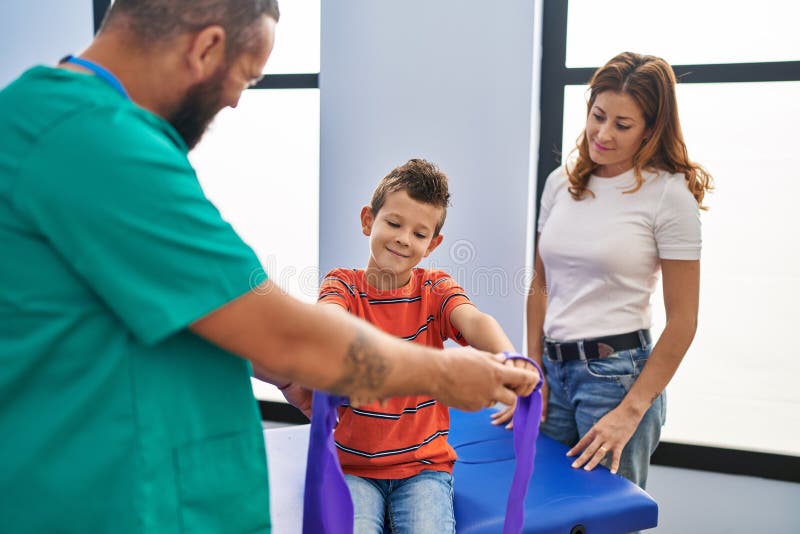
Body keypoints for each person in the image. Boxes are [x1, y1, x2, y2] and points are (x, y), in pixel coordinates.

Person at [0, 1, 538, 532]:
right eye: (246, 77)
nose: (234, 101)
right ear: (207, 46)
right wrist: (447, 374)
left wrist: (283, 372)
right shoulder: (96, 142)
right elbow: (285, 332)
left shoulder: (49, 121)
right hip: (110, 503)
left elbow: (190, 307)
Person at [313, 159, 540, 534]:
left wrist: (509, 360)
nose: (404, 238)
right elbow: (328, 324)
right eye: (394, 223)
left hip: (423, 469)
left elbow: (474, 320)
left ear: (433, 244)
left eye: (419, 234)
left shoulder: (435, 289)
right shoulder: (342, 285)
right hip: (352, 466)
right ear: (368, 220)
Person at [526, 51, 713, 490]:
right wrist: (532, 370)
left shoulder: (669, 196)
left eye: (622, 125)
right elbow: (540, 284)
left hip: (616, 382)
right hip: (552, 372)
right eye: (598, 115)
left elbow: (684, 321)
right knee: (542, 511)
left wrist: (630, 411)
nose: (602, 133)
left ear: (651, 129)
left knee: (606, 519)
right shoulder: (562, 181)